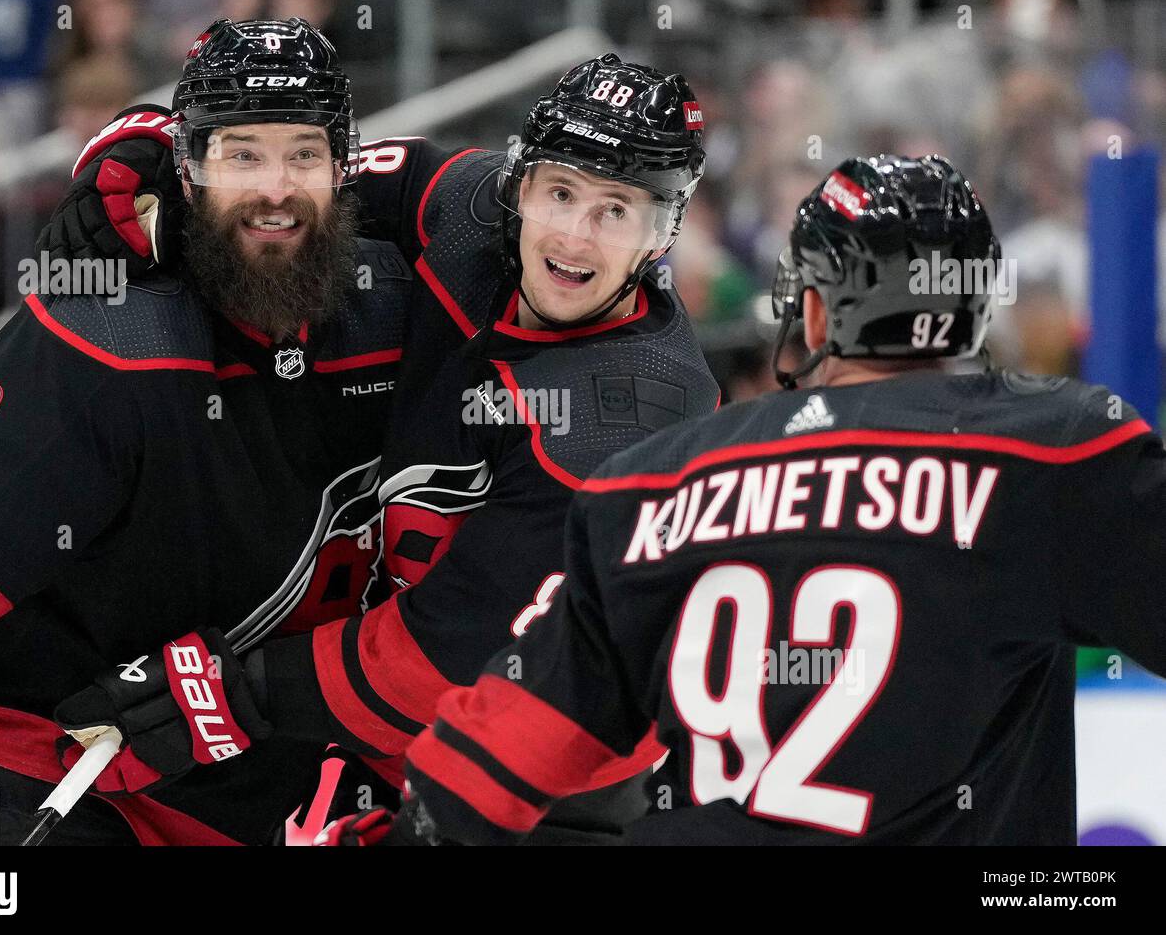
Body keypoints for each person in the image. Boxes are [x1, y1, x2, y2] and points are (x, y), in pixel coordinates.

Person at [353, 155, 1166, 844]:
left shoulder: (651, 478)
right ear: (972, 304)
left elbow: (488, 767)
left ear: (812, 309)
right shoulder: (1051, 448)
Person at [44, 54, 720, 843]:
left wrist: (237, 690)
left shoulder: (631, 414)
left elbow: (454, 646)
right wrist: (151, 143)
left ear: (661, 232)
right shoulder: (464, 205)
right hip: (408, 708)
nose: (574, 234)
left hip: (561, 775)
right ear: (520, 184)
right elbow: (292, 172)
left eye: (617, 211)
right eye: (561, 193)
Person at [0, 16, 413, 845]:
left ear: (346, 168)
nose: (276, 187)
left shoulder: (396, 308)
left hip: (250, 791)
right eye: (242, 153)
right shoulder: (109, 326)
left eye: (303, 152)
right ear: (187, 173)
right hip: (43, 772)